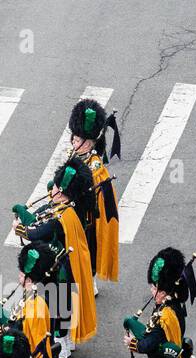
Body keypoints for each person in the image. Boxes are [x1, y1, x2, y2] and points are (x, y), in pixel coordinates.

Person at [15, 157, 96, 358]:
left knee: (57, 307)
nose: (53, 190)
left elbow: (37, 232)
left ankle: (62, 345)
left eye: (57, 187)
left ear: (62, 192)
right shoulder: (68, 209)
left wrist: (19, 228)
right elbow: (40, 218)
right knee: (65, 305)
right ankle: (67, 341)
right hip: (67, 264)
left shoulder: (60, 217)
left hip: (59, 267)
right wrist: (25, 214)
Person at [68, 98, 120, 285]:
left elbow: (92, 192)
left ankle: (89, 282)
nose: (74, 143)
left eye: (78, 140)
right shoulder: (76, 154)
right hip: (71, 208)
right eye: (74, 138)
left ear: (89, 143)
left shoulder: (95, 166)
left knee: (86, 248)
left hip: (86, 214)